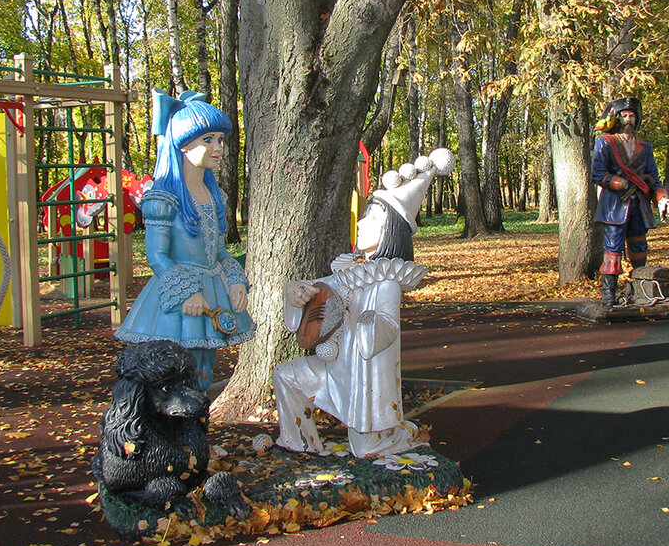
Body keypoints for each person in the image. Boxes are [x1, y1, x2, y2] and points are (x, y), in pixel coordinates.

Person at [273, 149, 454, 458]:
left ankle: (394, 436)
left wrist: (368, 323)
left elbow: (383, 330)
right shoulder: (346, 269)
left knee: (365, 448)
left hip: (363, 383)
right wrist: (296, 294)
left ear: (390, 229)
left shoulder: (386, 281)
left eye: (372, 217)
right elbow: (316, 295)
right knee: (285, 375)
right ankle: (300, 441)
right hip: (333, 370)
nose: (361, 223)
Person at [115, 90, 254, 390]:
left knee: (205, 366)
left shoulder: (215, 197)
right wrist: (185, 292)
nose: (218, 147)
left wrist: (236, 280)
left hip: (211, 290)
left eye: (219, 139)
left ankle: (197, 424)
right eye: (208, 140)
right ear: (183, 143)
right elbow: (157, 256)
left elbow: (218, 251)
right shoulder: (163, 200)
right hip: (178, 298)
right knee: (178, 369)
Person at [591, 97, 669, 309]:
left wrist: (663, 199)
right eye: (625, 115)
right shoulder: (605, 142)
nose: (629, 119)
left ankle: (638, 289)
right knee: (612, 250)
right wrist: (620, 183)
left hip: (639, 206)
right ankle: (608, 296)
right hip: (614, 207)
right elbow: (598, 173)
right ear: (617, 118)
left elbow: (653, 179)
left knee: (639, 249)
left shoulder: (645, 146)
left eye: (632, 115)